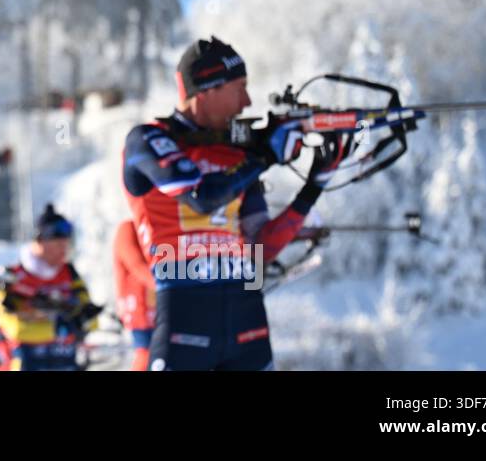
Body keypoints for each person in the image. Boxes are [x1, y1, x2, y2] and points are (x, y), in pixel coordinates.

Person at [121, 36, 350, 370]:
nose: (246, 102)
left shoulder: (237, 156)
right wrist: (264, 155)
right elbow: (202, 197)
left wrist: (315, 185)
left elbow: (261, 247)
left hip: (248, 321)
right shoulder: (148, 140)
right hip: (185, 324)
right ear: (207, 88)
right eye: (239, 87)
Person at [0, 205, 100, 371]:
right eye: (58, 245)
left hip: (66, 363)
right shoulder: (12, 277)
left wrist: (79, 322)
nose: (63, 252)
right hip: (27, 363)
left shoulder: (69, 273)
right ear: (40, 241)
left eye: (66, 246)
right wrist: (59, 328)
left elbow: (92, 318)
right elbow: (14, 329)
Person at [112, 218, 155, 371]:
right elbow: (136, 265)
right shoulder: (128, 229)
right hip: (139, 312)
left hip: (160, 309)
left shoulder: (163, 226)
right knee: (147, 355)